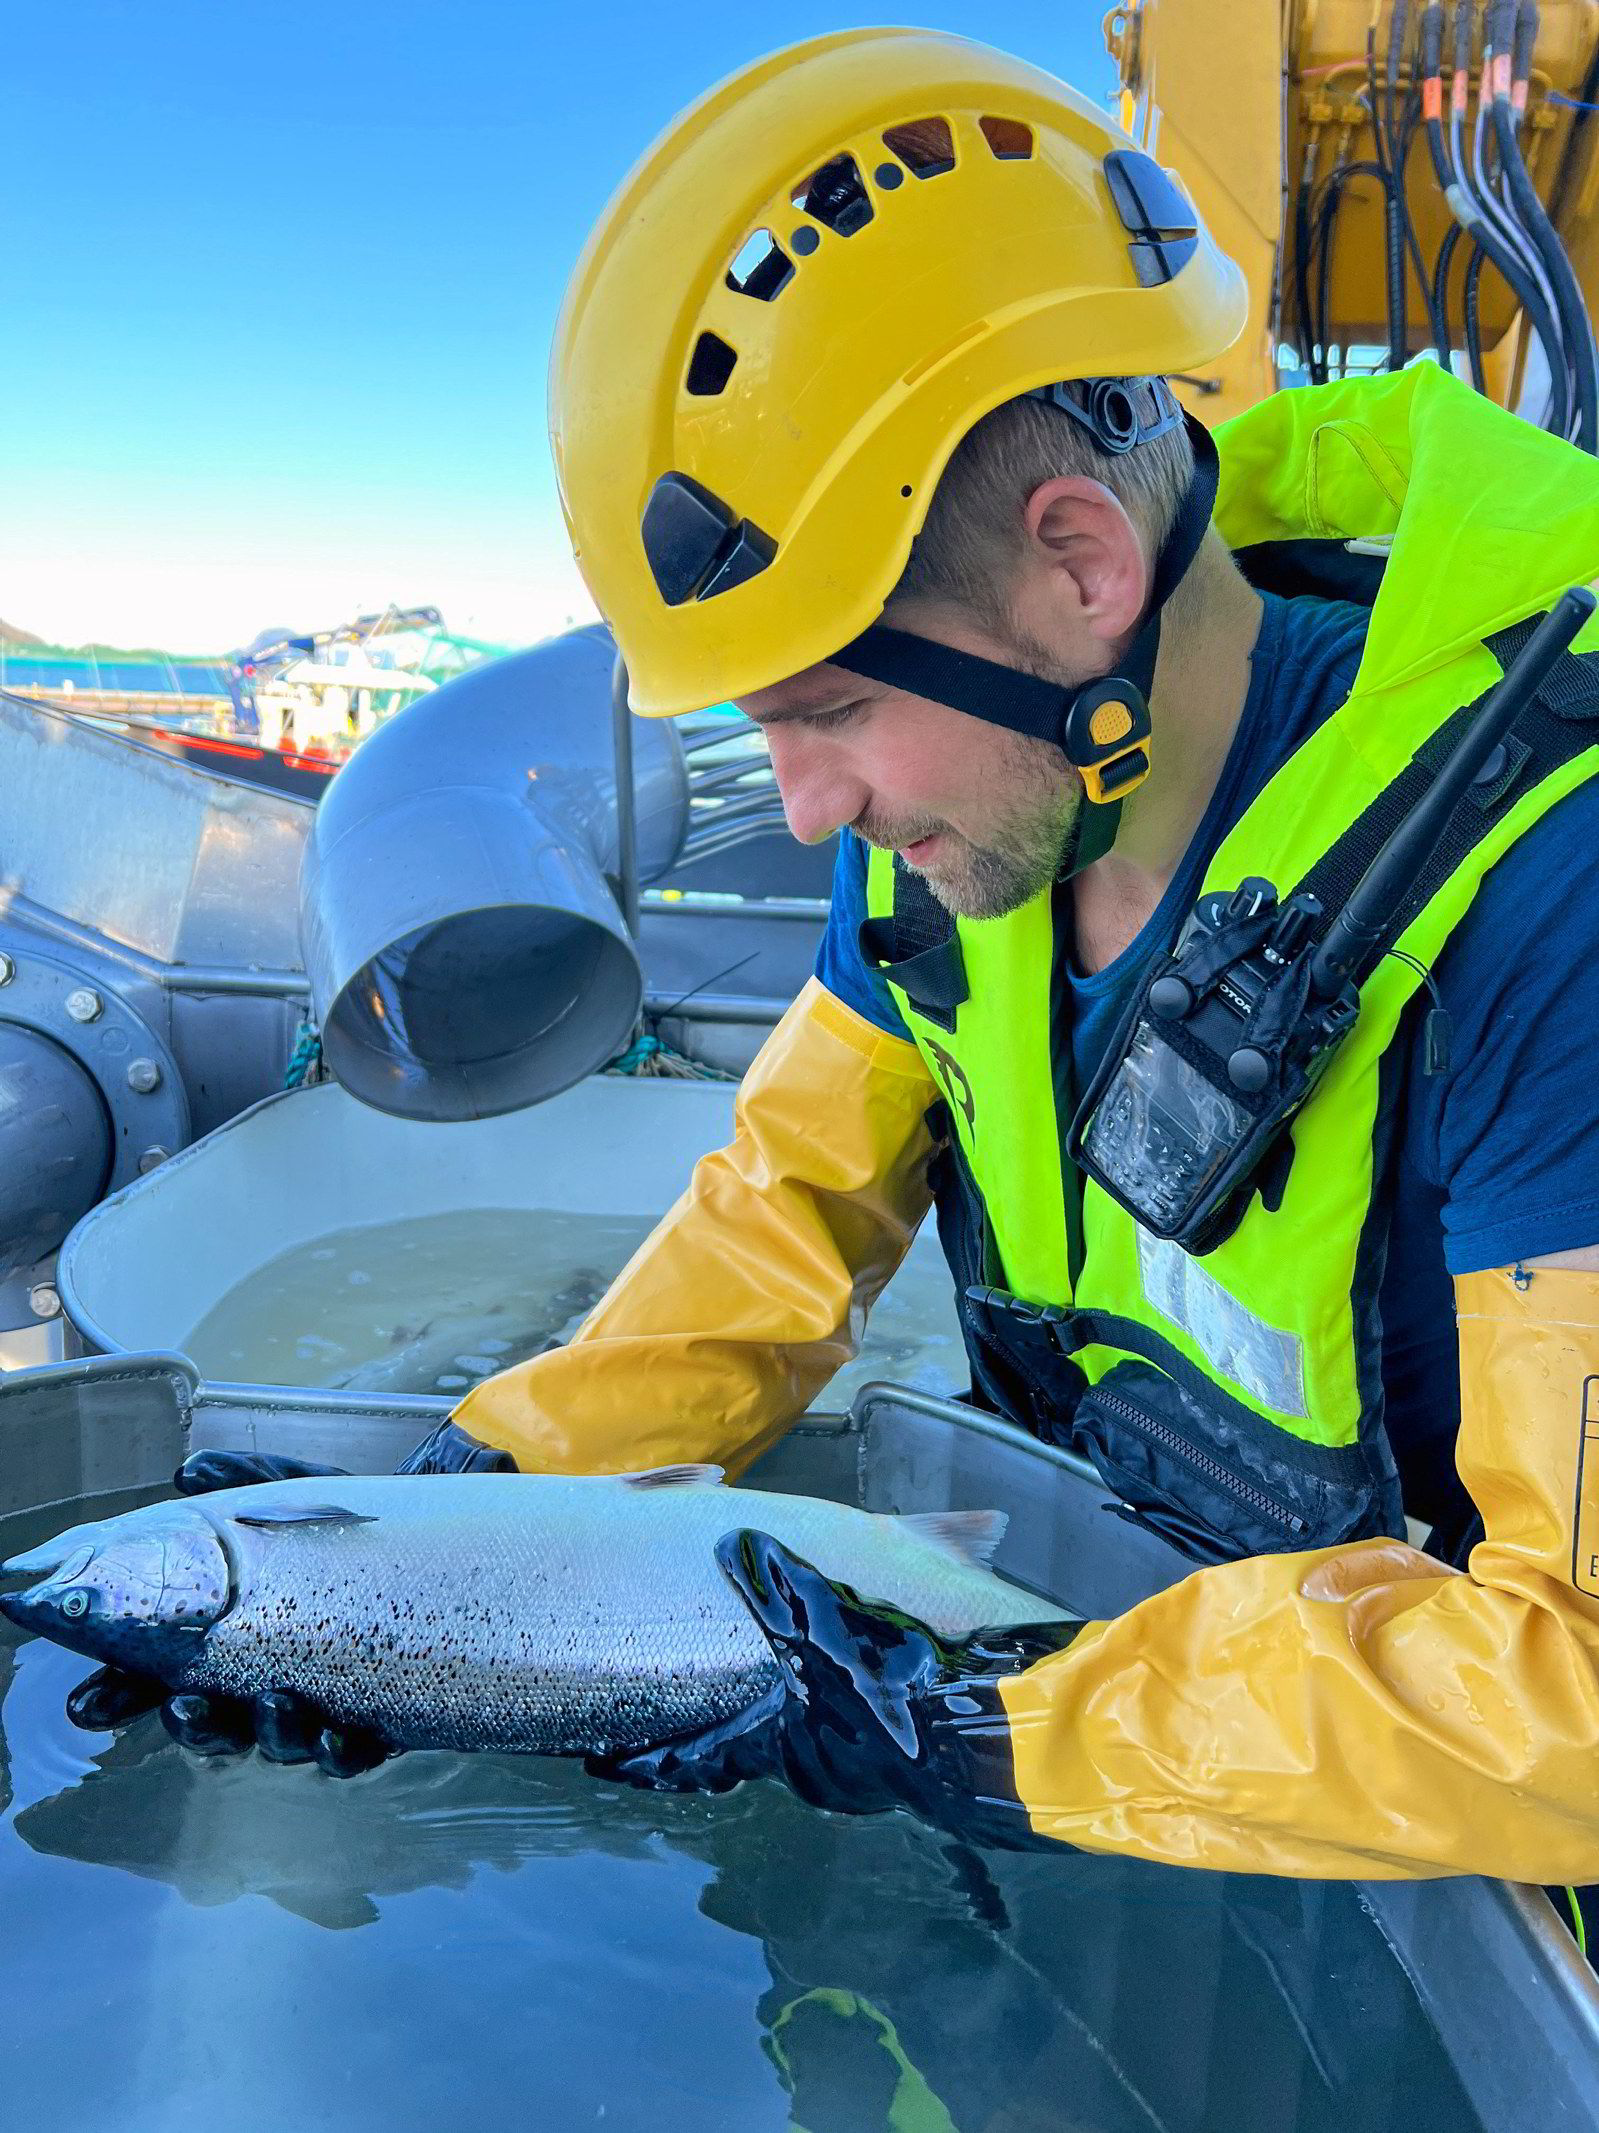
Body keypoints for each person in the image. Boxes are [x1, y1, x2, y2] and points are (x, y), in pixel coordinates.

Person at [76, 31, 1599, 1885]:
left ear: (1080, 564)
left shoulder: (1551, 882)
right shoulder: (991, 803)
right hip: (1153, 1746)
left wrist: (956, 1724)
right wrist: (452, 1521)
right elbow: (781, 1215)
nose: (802, 811)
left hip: (1484, 1906)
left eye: (836, 708)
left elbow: (1576, 1682)